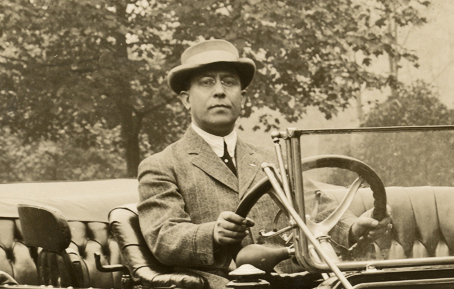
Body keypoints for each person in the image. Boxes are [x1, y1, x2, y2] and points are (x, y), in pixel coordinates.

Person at [138, 39, 374, 276]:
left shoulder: (273, 159)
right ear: (186, 99)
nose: (219, 91)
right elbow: (164, 238)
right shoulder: (162, 165)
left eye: (228, 82)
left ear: (243, 98)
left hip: (300, 287)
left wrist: (354, 227)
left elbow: (317, 206)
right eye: (207, 82)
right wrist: (213, 233)